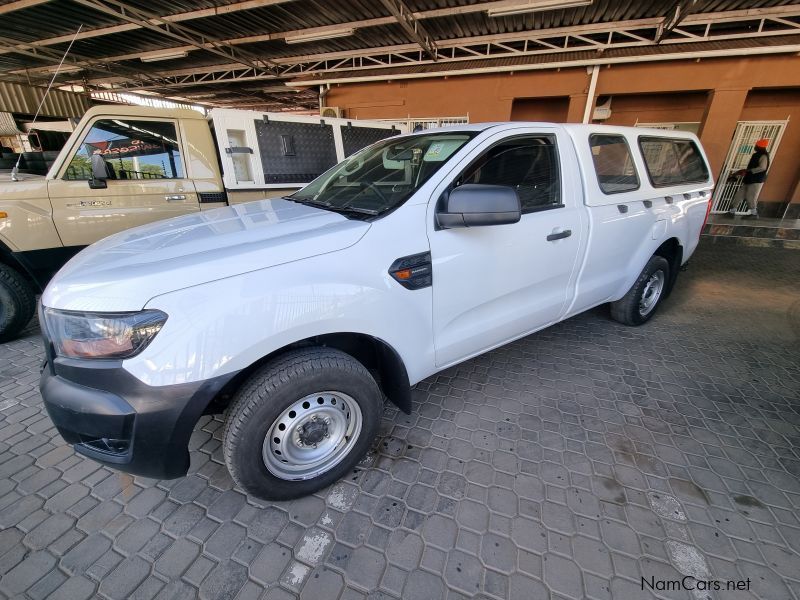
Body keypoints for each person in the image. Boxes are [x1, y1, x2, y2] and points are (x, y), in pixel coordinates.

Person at [728, 138, 770, 218]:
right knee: (739, 195)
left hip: (756, 180)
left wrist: (749, 171)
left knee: (750, 197)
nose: (755, 146)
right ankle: (731, 212)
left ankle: (754, 214)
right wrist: (746, 172)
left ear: (760, 146)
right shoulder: (757, 155)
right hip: (749, 179)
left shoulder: (764, 156)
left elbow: (762, 168)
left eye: (756, 145)